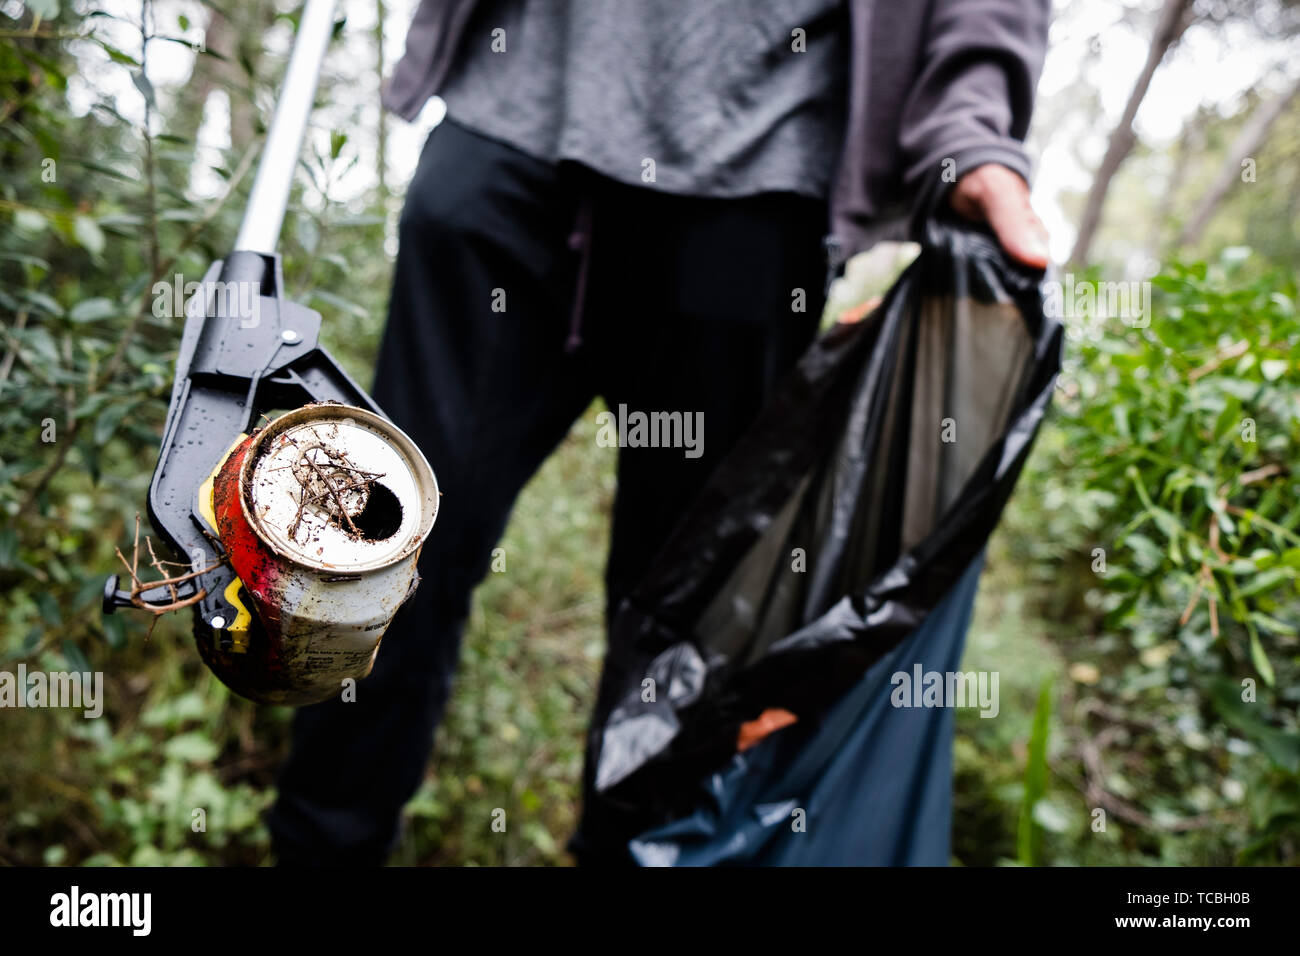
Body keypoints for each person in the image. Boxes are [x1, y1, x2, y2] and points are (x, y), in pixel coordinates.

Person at [269, 0, 1051, 866]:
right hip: (509, 127)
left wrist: (973, 130)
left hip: (756, 183)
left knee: (677, 632)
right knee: (386, 555)